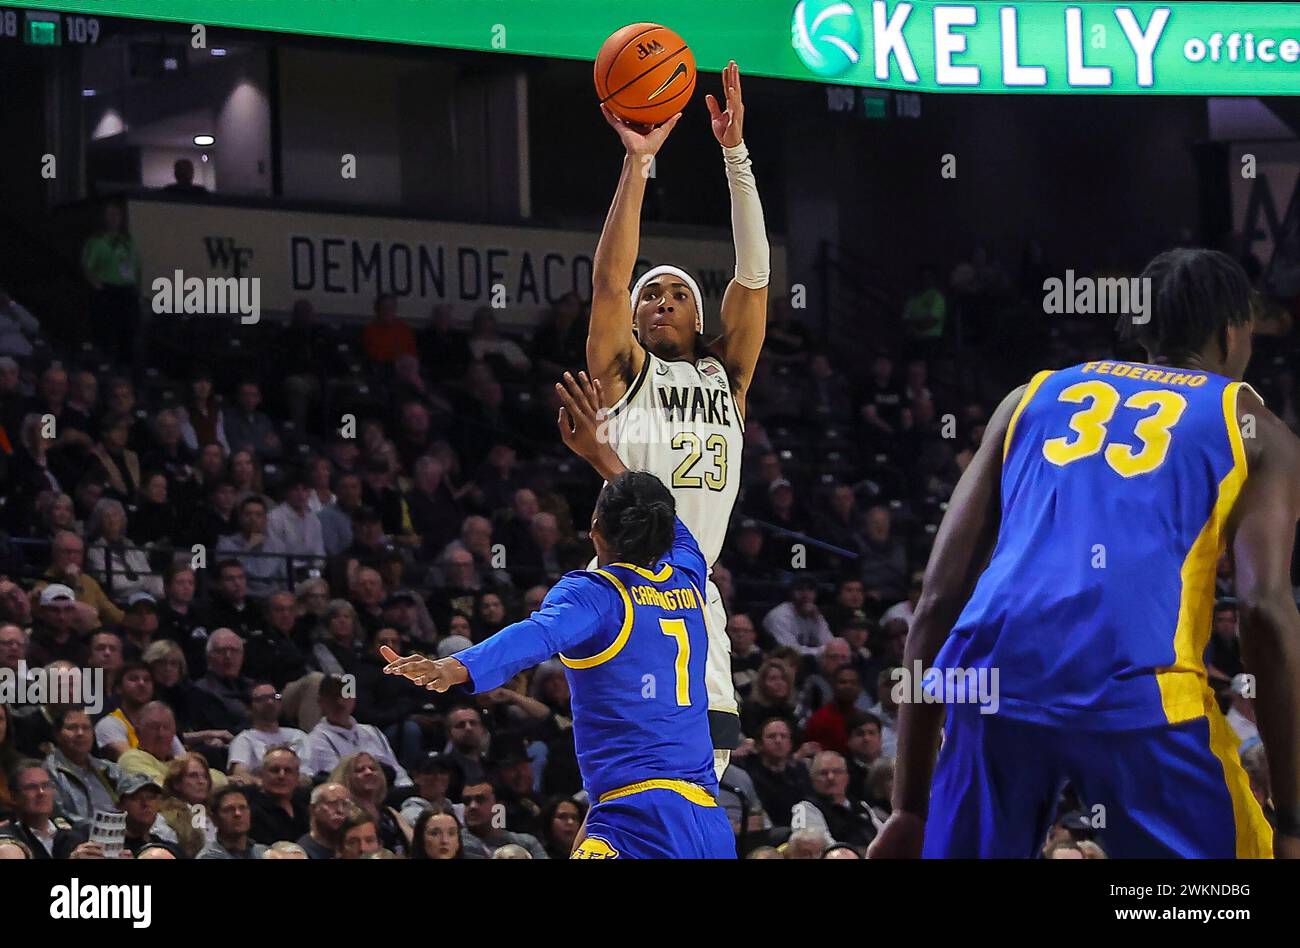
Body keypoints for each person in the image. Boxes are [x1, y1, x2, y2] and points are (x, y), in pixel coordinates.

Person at [872, 248, 1294, 860]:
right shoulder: (1252, 423)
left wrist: (910, 806)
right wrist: (1295, 818)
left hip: (988, 678)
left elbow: (938, 599)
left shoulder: (1029, 398)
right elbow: (1264, 611)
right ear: (1231, 331)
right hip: (1137, 691)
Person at [383, 373, 734, 858]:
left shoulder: (598, 595)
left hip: (638, 819)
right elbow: (657, 513)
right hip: (707, 822)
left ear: (594, 531)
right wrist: (598, 454)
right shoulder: (689, 575)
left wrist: (455, 667)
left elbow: (535, 637)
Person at [585, 61, 770, 781]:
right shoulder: (625, 372)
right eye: (649, 296)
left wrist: (735, 153)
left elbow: (752, 275)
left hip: (695, 593)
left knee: (704, 781)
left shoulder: (729, 373)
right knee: (631, 782)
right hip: (625, 583)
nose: (660, 301)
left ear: (700, 313)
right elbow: (607, 278)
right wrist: (638, 165)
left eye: (676, 294)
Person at [80, 201, 140, 362]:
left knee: (128, 334)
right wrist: (99, 288)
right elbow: (87, 267)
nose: (114, 219)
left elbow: (136, 266)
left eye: (116, 215)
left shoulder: (128, 241)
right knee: (107, 333)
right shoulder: (96, 241)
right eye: (110, 215)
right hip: (108, 291)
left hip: (127, 291)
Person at [298, 782, 352, 859]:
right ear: (313, 809)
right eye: (332, 803)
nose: (340, 810)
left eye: (345, 804)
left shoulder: (352, 846)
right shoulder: (302, 852)